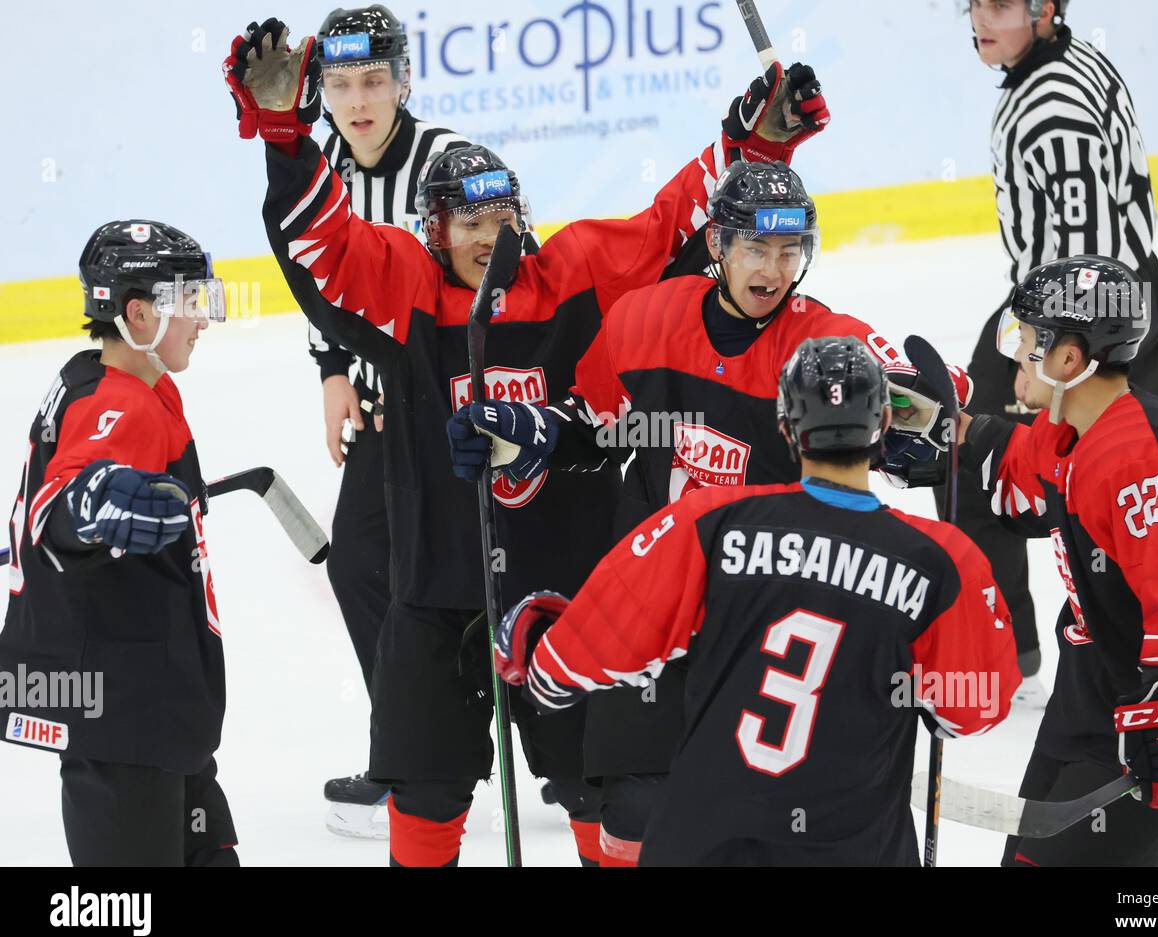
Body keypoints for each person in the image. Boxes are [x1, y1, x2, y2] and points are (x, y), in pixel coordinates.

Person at [222, 16, 830, 865]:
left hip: (570, 599)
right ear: (432, 230)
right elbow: (324, 250)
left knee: (598, 785)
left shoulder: (573, 270)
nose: (484, 236)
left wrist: (756, 150)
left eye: (499, 216)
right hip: (438, 595)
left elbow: (672, 231)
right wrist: (287, 137)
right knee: (427, 791)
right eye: (463, 222)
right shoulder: (404, 284)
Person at [449, 160, 971, 865]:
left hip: (765, 619)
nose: (775, 268)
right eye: (756, 248)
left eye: (790, 251)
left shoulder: (822, 342)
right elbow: (596, 422)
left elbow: (904, 402)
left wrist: (926, 424)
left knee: (758, 821)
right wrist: (532, 431)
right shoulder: (646, 317)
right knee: (632, 814)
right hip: (654, 608)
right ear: (718, 247)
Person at [491, 336, 1018, 865]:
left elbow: (563, 669)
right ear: (882, 428)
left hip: (707, 843)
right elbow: (975, 711)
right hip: (859, 846)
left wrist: (542, 643)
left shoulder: (707, 522)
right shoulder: (941, 557)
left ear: (786, 428)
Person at [958, 254, 1158, 866]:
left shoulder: (1133, 454)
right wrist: (942, 430)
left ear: (1072, 359)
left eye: (1032, 339)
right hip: (1094, 685)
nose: (1017, 353)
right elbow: (1021, 473)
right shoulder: (1073, 423)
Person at [0, 220, 235, 866]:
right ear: (137, 313)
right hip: (122, 721)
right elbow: (65, 502)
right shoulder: (120, 405)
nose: (202, 319)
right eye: (189, 302)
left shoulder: (111, 381)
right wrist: (92, 505)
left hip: (154, 711)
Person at [960, 0, 1158, 701]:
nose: (978, 18)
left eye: (998, 5)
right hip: (1104, 309)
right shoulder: (1063, 66)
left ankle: (1013, 650)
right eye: (974, 3)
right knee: (1136, 481)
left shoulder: (1054, 107)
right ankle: (1142, 641)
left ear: (1044, 10)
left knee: (974, 455)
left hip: (1088, 326)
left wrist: (1044, 357)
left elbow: (1088, 264)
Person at [305, 3, 475, 842]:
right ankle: (415, 743)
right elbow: (314, 276)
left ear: (405, 80)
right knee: (364, 566)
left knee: (469, 578)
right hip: (381, 410)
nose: (358, 100)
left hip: (457, 412)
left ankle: (548, 740)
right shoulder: (324, 164)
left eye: (374, 80)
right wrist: (333, 371)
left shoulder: (447, 162)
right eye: (339, 83)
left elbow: (506, 268)